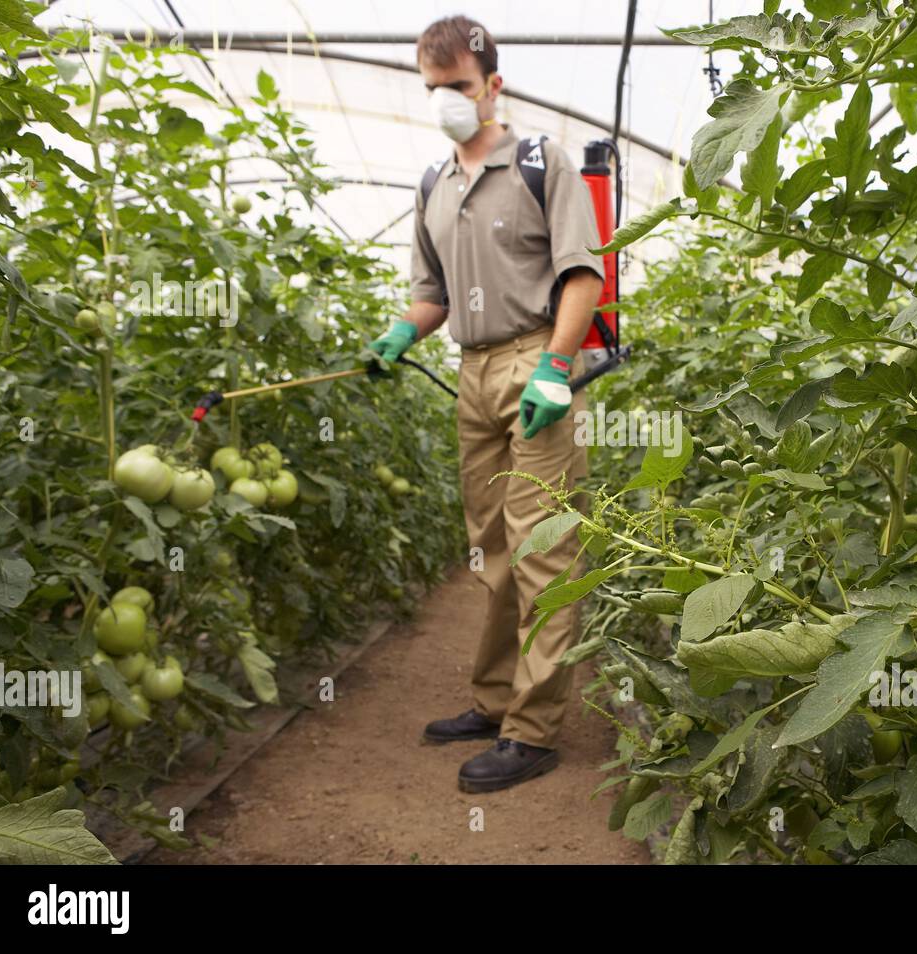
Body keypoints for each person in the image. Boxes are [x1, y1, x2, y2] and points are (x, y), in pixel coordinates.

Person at [364, 15, 605, 793]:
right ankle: (497, 700)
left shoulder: (542, 164)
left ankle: (533, 732)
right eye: (434, 90)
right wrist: (400, 333)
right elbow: (430, 293)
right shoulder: (435, 185)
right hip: (472, 372)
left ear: (493, 84)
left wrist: (556, 366)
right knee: (490, 550)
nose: (446, 102)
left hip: (535, 361)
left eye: (460, 87)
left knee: (541, 551)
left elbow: (582, 275)